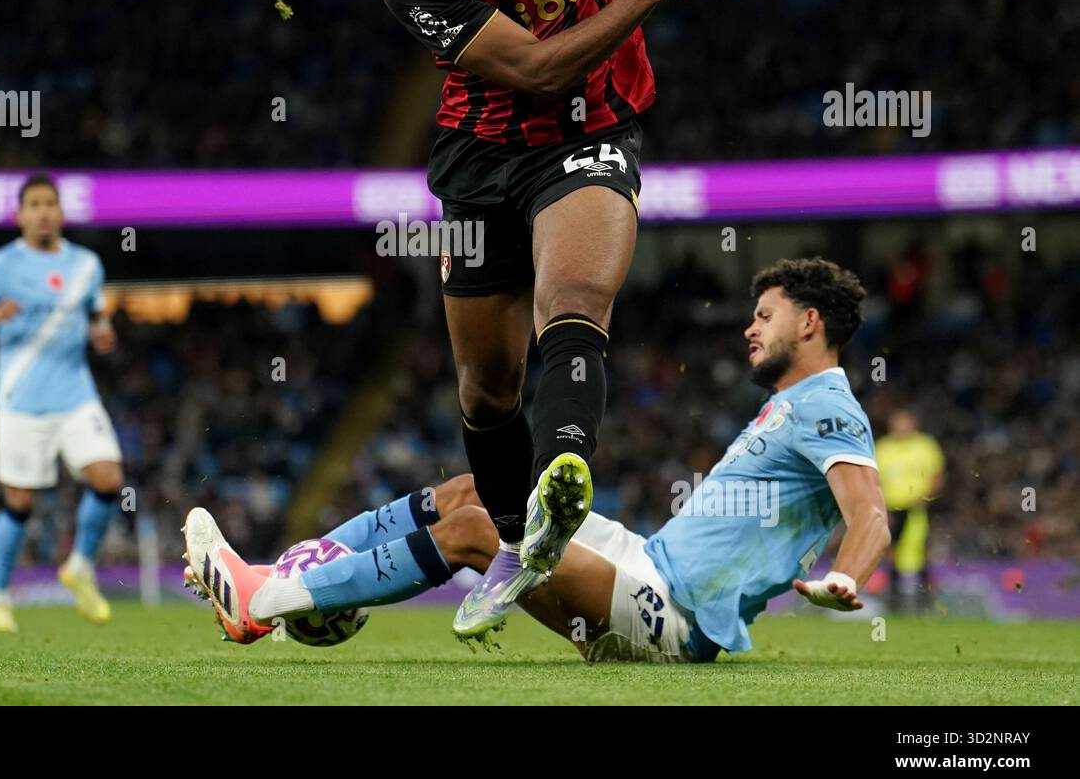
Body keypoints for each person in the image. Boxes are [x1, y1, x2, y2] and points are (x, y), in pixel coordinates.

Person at [343, 0, 736, 641]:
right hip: (483, 161)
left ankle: (562, 475)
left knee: (576, 295)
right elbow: (538, 69)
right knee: (486, 388)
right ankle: (519, 544)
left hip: (590, 134)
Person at [184, 258, 890, 660]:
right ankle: (280, 572)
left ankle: (264, 602)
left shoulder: (828, 407)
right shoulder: (794, 405)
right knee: (477, 492)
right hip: (648, 561)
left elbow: (872, 518)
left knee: (477, 534)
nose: (748, 328)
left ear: (809, 323)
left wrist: (845, 578)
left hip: (674, 618)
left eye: (763, 316)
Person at [0, 173, 123, 632]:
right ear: (19, 214)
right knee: (19, 501)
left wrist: (102, 332)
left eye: (50, 203)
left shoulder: (86, 264)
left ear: (61, 213)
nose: (43, 211)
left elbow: (97, 314)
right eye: (34, 204)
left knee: (109, 478)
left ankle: (80, 567)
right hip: (20, 398)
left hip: (75, 392)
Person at [875, 409, 945, 612]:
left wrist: (925, 498)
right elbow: (874, 479)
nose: (900, 428)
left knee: (920, 549)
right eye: (897, 423)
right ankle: (894, 596)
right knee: (891, 550)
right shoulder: (883, 448)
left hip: (917, 508)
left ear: (913, 424)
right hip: (891, 508)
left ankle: (926, 598)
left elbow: (937, 476)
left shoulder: (925, 446)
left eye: (904, 423)